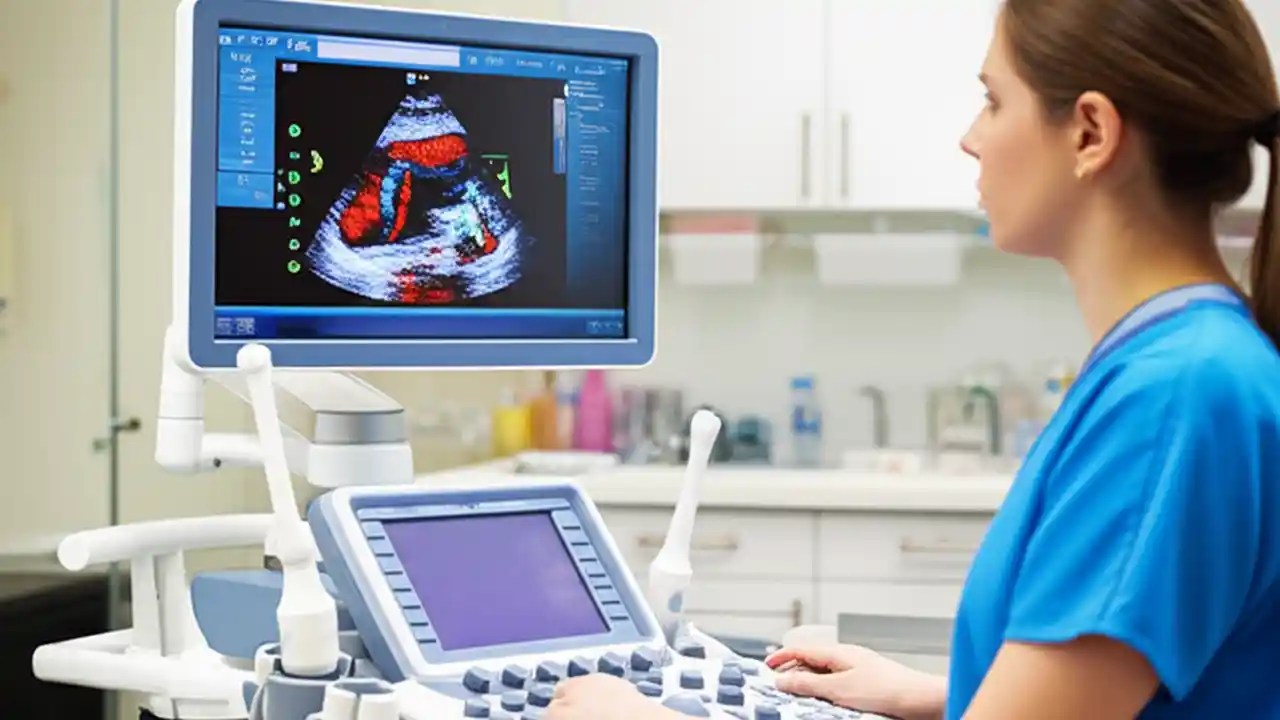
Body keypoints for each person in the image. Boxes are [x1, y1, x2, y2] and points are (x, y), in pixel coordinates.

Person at [546, 0, 1280, 718]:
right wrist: (939, 695)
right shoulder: (1182, 363)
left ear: (1090, 132)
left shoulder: (1175, 395)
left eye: (994, 101)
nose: (970, 138)